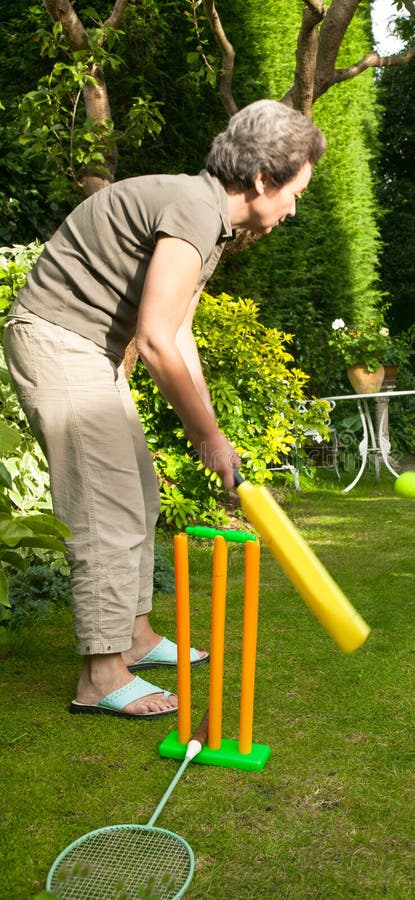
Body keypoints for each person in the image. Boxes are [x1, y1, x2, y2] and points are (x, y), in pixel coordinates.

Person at [4, 99, 326, 718]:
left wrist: (213, 432)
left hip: (88, 346)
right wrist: (205, 439)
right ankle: (100, 674)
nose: (294, 207)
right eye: (296, 191)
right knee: (106, 504)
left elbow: (178, 335)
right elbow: (152, 337)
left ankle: (134, 635)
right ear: (262, 179)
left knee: (139, 492)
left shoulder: (208, 220)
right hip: (59, 337)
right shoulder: (194, 209)